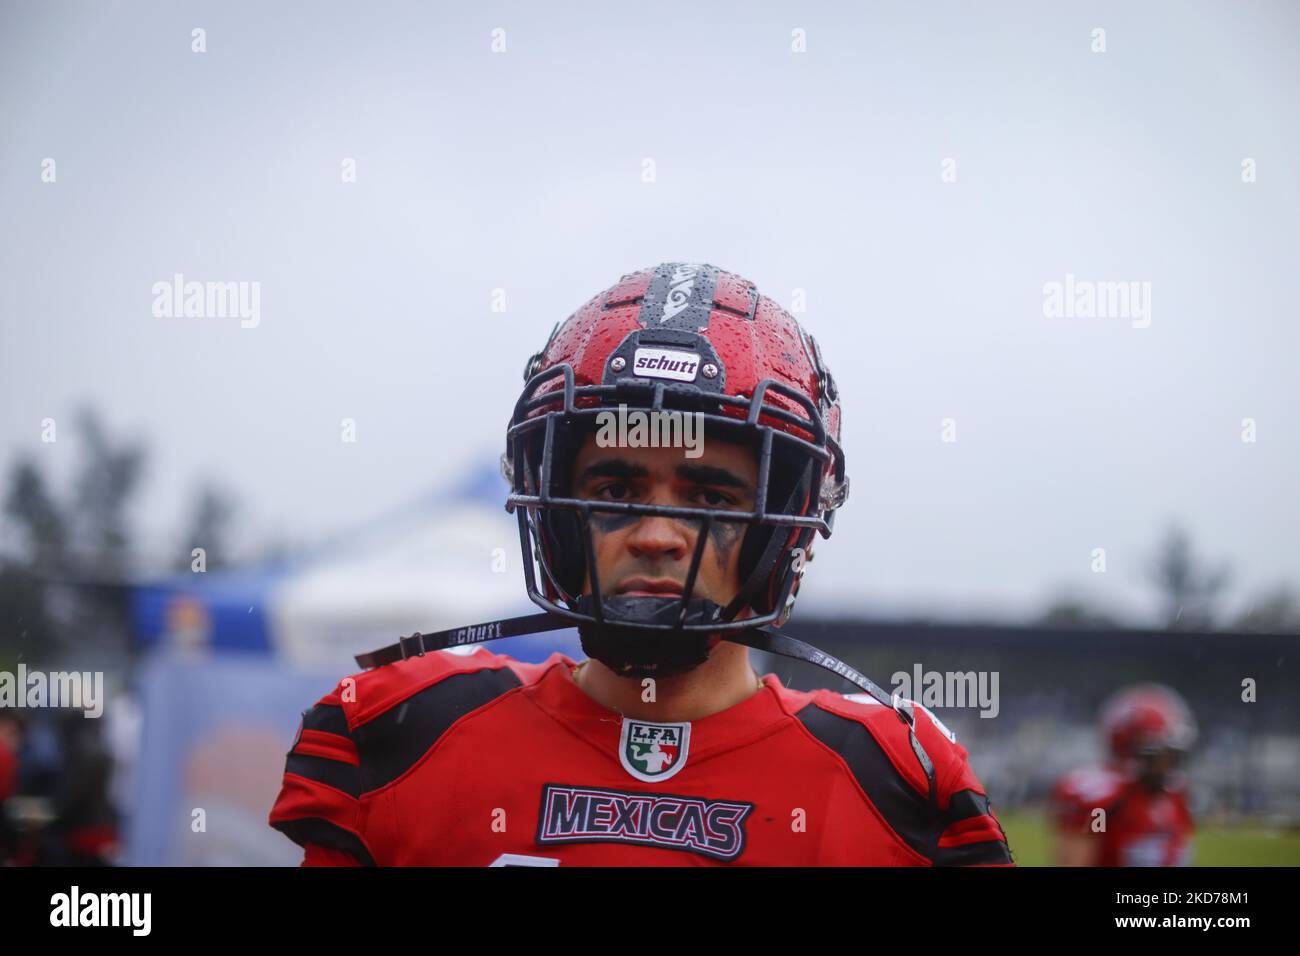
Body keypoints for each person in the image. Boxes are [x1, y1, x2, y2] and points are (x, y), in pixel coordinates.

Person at [268, 262, 1013, 866]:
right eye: (616, 488)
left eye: (711, 497)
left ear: (787, 529)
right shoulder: (409, 736)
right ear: (552, 505)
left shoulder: (890, 783)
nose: (657, 533)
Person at [1049, 683, 1197, 866]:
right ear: (1132, 751)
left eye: (1172, 755)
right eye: (1160, 755)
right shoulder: (1100, 799)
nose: (1168, 765)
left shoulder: (1176, 797)